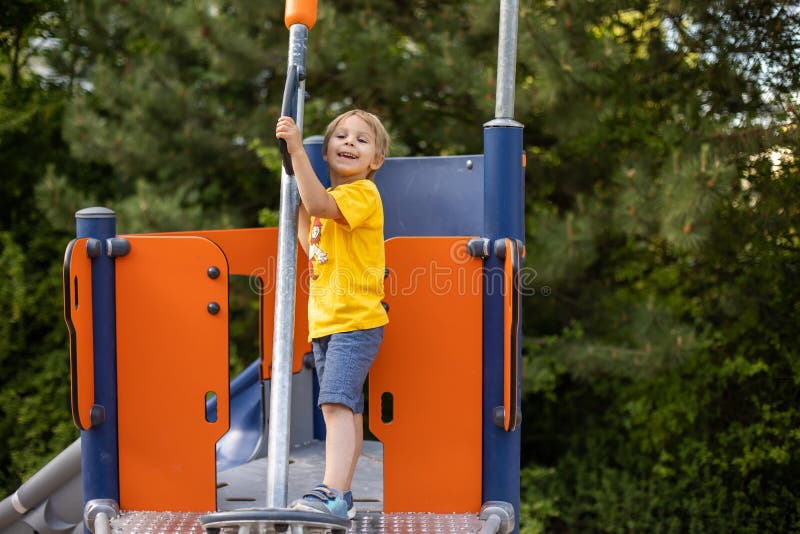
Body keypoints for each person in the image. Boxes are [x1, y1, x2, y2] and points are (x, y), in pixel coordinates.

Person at [275, 109, 390, 519]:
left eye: (361, 140)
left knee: (335, 405)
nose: (349, 143)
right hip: (329, 322)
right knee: (348, 408)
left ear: (375, 160)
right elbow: (311, 240)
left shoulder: (361, 194)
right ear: (326, 150)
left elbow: (320, 203)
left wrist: (295, 150)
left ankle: (331, 492)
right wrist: (298, 201)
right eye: (341, 136)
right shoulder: (331, 208)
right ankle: (342, 493)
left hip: (354, 321)